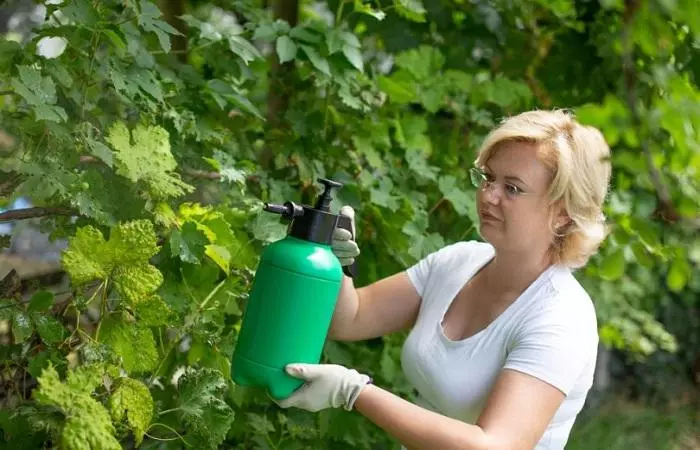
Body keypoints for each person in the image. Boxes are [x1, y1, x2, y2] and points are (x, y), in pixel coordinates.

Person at [275, 109, 612, 450]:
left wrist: (355, 392)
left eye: (512, 188)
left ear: (563, 213)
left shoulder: (561, 318)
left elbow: (494, 445)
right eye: (488, 178)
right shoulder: (458, 261)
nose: (488, 195)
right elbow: (351, 318)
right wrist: (336, 263)